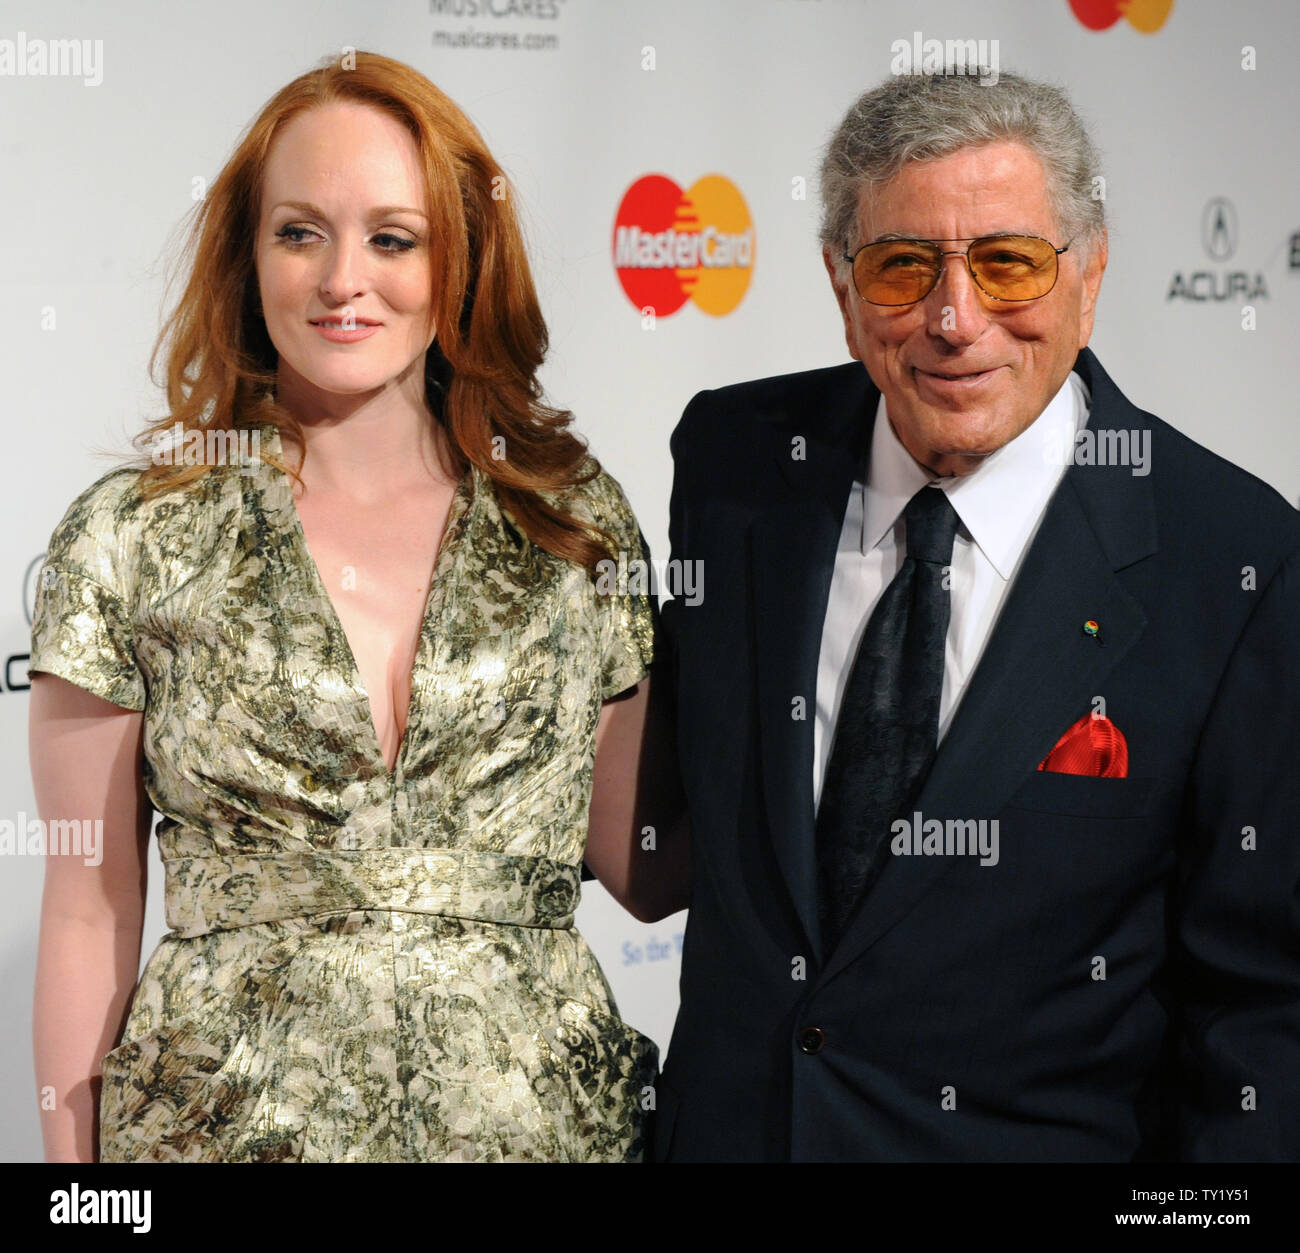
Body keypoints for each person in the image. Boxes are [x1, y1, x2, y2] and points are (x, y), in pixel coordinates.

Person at [29, 50, 687, 1164]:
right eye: (299, 232)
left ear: (459, 259)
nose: (344, 279)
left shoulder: (569, 523)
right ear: (247, 255)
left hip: (539, 1132)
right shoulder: (132, 536)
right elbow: (89, 911)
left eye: (393, 237)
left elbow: (649, 862)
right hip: (220, 1137)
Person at [654, 69, 1300, 1161]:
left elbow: (1269, 1009)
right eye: (904, 267)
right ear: (839, 284)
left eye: (1007, 263)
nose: (955, 320)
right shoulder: (734, 465)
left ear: (1087, 277)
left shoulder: (1233, 560)